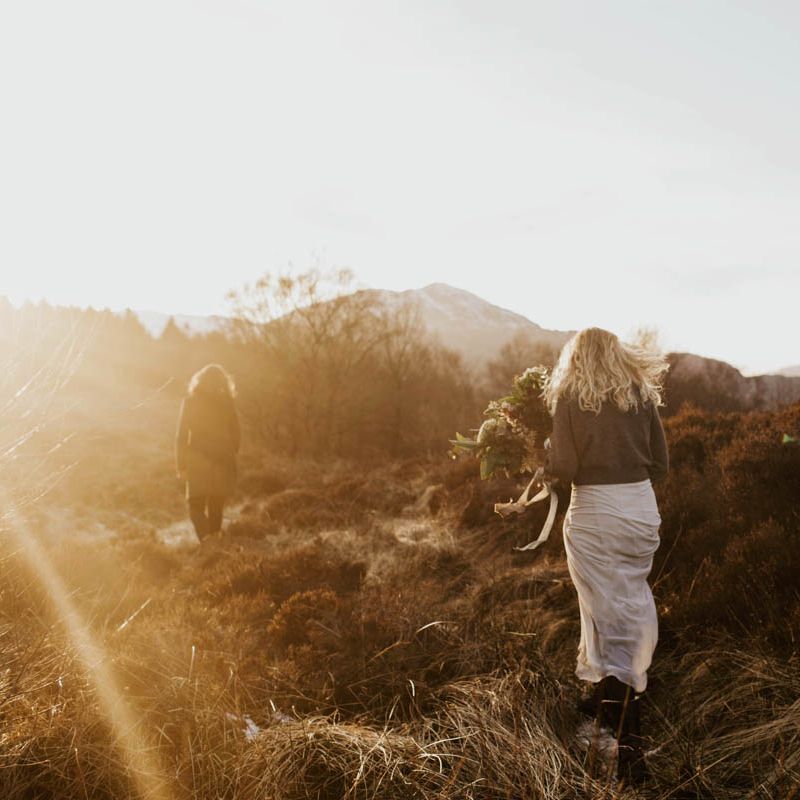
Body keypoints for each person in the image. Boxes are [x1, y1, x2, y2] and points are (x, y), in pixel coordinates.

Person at [543, 327, 668, 786]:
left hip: (595, 511)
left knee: (605, 608)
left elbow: (567, 469)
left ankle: (628, 746)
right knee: (626, 603)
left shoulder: (570, 396)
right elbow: (661, 464)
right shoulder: (639, 394)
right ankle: (606, 700)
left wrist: (547, 457)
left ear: (575, 359)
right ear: (618, 356)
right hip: (640, 511)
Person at [175, 364, 240, 541]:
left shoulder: (190, 402)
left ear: (199, 381)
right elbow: (236, 433)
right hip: (223, 459)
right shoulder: (227, 402)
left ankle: (207, 542)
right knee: (216, 506)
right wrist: (230, 452)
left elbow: (181, 435)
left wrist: (181, 465)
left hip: (197, 459)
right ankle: (213, 545)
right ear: (223, 382)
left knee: (195, 505)